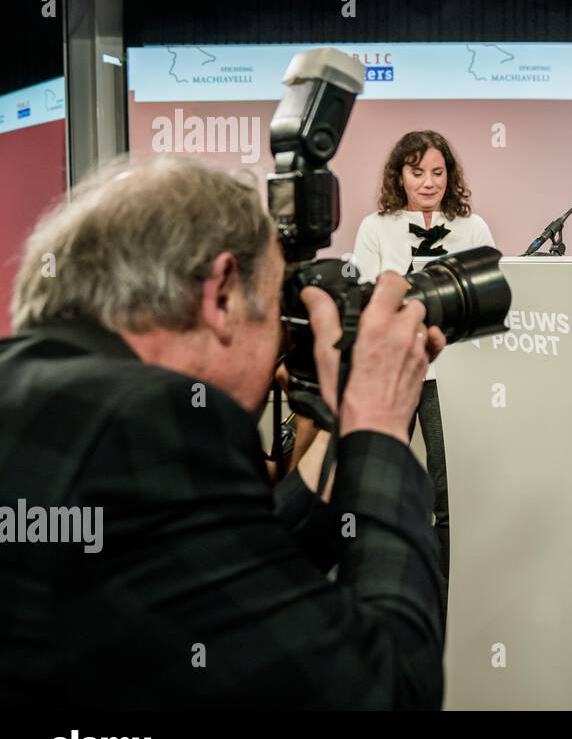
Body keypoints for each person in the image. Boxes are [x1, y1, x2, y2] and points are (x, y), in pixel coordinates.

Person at [0, 159, 447, 708]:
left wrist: (339, 443)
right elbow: (385, 689)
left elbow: (213, 570)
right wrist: (379, 425)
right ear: (222, 294)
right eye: (275, 308)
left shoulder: (42, 395)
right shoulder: (144, 421)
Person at [352, 130, 494, 530]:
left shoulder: (473, 227)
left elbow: (489, 300)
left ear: (450, 175)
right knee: (380, 482)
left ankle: (451, 589)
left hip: (453, 373)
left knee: (450, 487)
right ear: (400, 177)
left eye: (437, 171)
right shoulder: (375, 227)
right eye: (417, 173)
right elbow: (365, 297)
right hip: (393, 368)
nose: (429, 182)